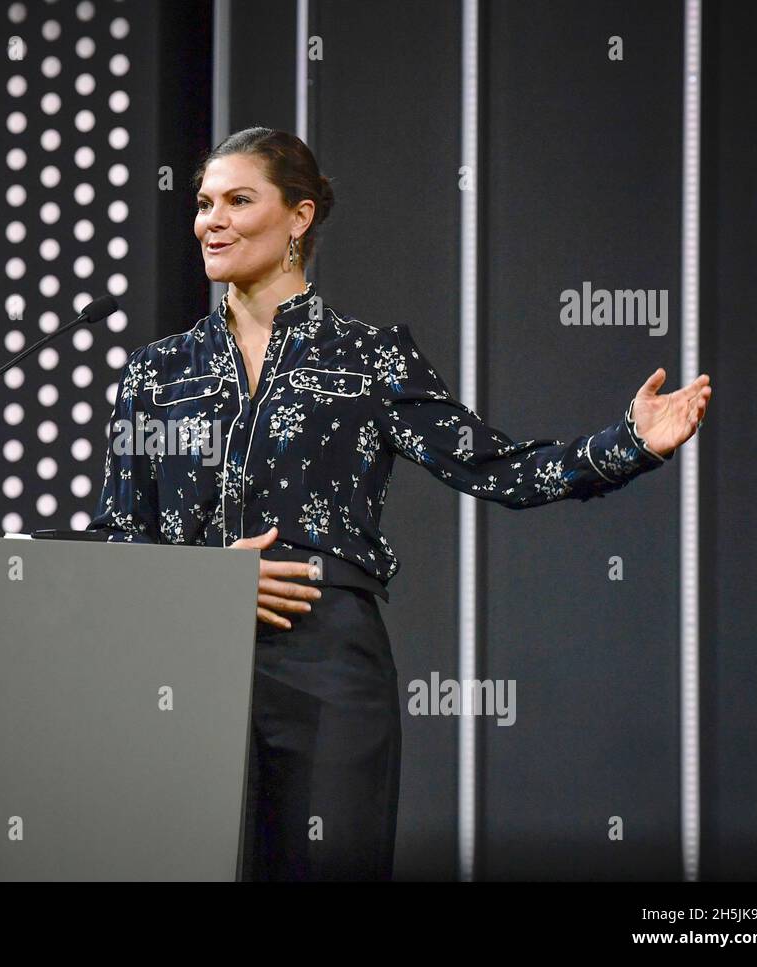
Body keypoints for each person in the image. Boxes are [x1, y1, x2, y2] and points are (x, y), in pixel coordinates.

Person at [87, 127, 712, 880]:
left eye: (238, 200)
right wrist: (209, 586)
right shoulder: (155, 374)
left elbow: (499, 470)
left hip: (326, 664)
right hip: (183, 664)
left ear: (299, 217)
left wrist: (629, 443)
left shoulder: (368, 355)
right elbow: (118, 538)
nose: (210, 221)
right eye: (203, 203)